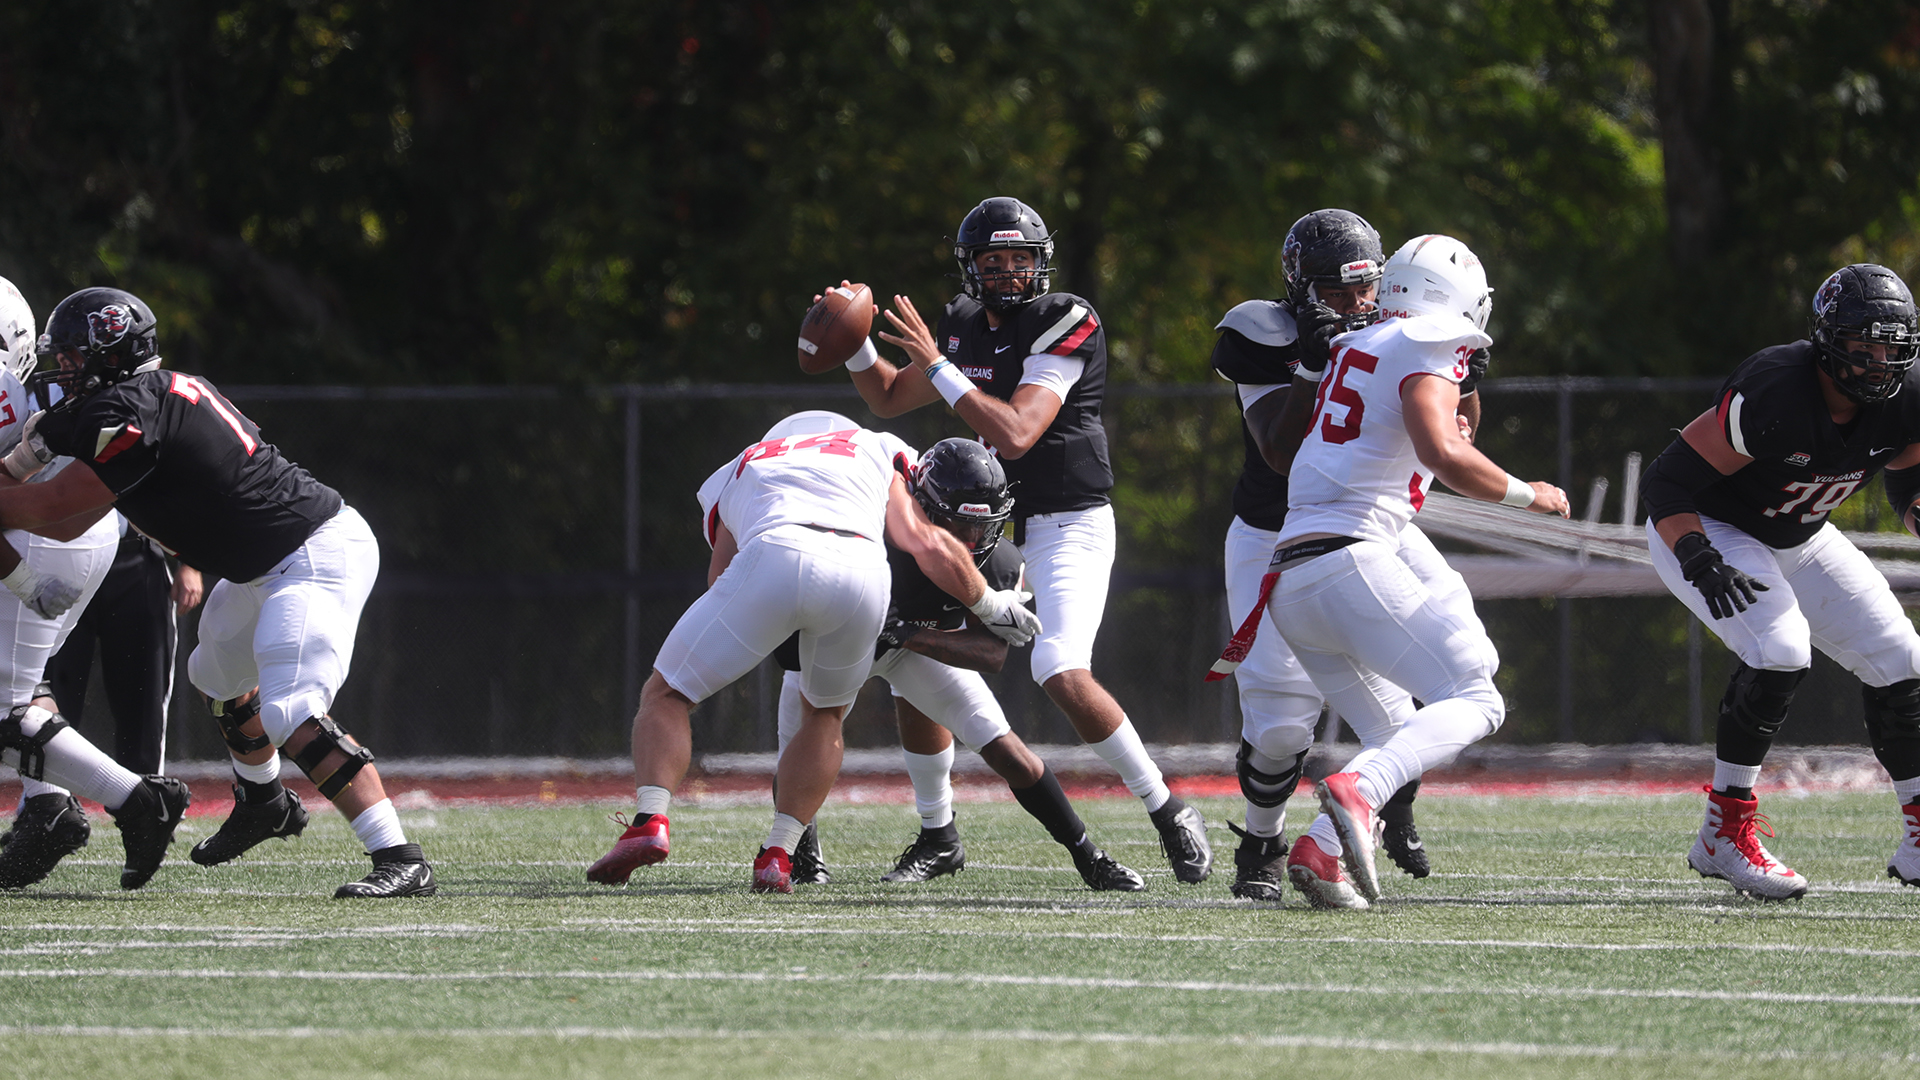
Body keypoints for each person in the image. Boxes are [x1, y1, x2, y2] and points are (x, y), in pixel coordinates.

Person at [0, 286, 431, 898]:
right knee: (217, 675)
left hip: (311, 553)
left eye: (71, 356)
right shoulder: (112, 405)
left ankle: (400, 855)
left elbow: (52, 509)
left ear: (110, 353)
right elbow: (47, 505)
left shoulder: (131, 409)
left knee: (289, 709)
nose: (60, 368)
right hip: (259, 566)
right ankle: (264, 802)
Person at [843, 195, 1214, 884]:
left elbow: (1016, 432)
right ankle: (937, 833)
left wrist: (939, 367)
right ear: (971, 267)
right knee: (914, 643)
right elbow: (889, 396)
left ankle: (1167, 810)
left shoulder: (1063, 319)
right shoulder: (961, 325)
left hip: (1066, 521)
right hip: (984, 526)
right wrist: (853, 339)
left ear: (1041, 263)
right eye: (994, 260)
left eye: (1020, 259)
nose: (1008, 272)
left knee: (1059, 667)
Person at [1223, 234, 1567, 907]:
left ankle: (1320, 849)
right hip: (1350, 556)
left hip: (1293, 572)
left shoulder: (1353, 346)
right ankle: (1354, 796)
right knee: (1478, 698)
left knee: (1393, 732)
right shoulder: (1428, 339)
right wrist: (1531, 494)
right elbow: (1444, 453)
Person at [586, 412, 1040, 894]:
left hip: (774, 551)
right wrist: (990, 605)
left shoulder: (743, 463)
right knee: (824, 715)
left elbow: (721, 577)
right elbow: (927, 541)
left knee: (668, 695)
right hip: (864, 572)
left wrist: (761, 626)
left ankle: (650, 820)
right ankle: (779, 853)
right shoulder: (874, 447)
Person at [1640, 262, 1920, 898]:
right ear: (1828, 341)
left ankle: (1918, 837)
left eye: (1892, 347)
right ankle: (1723, 832)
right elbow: (1666, 481)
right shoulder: (1776, 391)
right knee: (1781, 649)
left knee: (1901, 657)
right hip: (1711, 526)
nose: (1880, 362)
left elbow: (1907, 477)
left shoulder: (1908, 396)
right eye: (1865, 345)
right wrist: (1697, 554)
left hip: (1801, 534)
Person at [771, 438, 1144, 892]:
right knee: (800, 748)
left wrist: (905, 633)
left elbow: (991, 653)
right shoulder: (870, 530)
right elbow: (792, 638)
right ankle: (803, 856)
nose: (970, 540)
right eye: (957, 523)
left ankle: (1090, 857)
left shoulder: (998, 560)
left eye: (981, 526)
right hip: (837, 645)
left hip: (904, 646)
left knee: (1004, 747)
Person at [0, 277, 189, 891]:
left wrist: (25, 580)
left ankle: (136, 798)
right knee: (29, 686)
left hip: (42, 535)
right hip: (86, 532)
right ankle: (49, 808)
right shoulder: (50, 387)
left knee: (6, 712)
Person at [43, 527, 204, 775]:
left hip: (136, 557)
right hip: (64, 560)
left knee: (145, 701)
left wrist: (191, 563)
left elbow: (184, 502)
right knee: (52, 694)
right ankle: (47, 792)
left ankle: (145, 790)